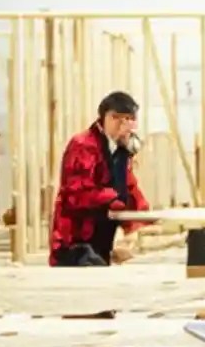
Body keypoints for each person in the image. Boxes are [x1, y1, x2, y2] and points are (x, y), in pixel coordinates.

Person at [49, 91, 150, 266]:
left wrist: (141, 220)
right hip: (76, 241)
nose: (126, 126)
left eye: (130, 119)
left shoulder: (120, 149)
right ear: (108, 118)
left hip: (101, 239)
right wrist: (113, 200)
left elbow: (129, 187)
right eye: (121, 119)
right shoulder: (83, 145)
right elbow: (77, 194)